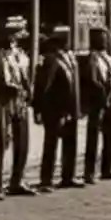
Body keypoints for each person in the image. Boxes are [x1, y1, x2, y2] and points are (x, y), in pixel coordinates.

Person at [0, 16, 35, 198]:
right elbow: (0, 78)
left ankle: (17, 179)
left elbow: (26, 75)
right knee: (1, 142)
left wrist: (27, 90)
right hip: (4, 100)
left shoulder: (21, 53)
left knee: (22, 141)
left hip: (20, 100)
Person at [33, 25, 83, 192]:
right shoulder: (50, 59)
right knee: (51, 144)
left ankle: (68, 176)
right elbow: (44, 87)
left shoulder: (71, 58)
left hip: (71, 108)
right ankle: (46, 179)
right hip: (54, 109)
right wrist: (39, 108)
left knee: (70, 143)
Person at [82, 27, 111, 183]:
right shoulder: (91, 58)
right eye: (100, 38)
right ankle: (89, 172)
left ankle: (107, 169)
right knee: (93, 138)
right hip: (97, 103)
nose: (104, 41)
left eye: (106, 38)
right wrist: (102, 95)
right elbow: (92, 80)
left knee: (110, 137)